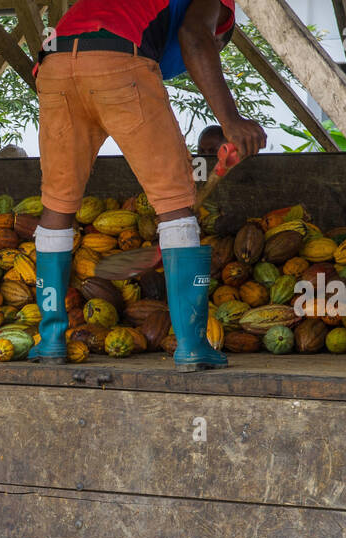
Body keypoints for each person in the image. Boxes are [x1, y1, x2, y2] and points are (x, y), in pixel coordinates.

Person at [31, 0, 266, 370]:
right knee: (174, 205)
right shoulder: (217, 7)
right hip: (119, 60)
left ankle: (50, 341)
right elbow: (195, 39)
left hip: (55, 64)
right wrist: (231, 120)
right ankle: (191, 344)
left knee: (58, 205)